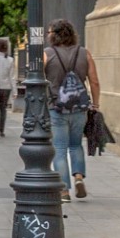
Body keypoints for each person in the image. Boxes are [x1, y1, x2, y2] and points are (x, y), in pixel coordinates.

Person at [43, 20, 100, 201]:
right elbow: (94, 81)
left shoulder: (47, 54)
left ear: (54, 35)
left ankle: (64, 190)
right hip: (79, 107)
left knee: (59, 148)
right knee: (75, 145)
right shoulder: (84, 53)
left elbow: (37, 78)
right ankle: (78, 177)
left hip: (56, 107)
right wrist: (95, 104)